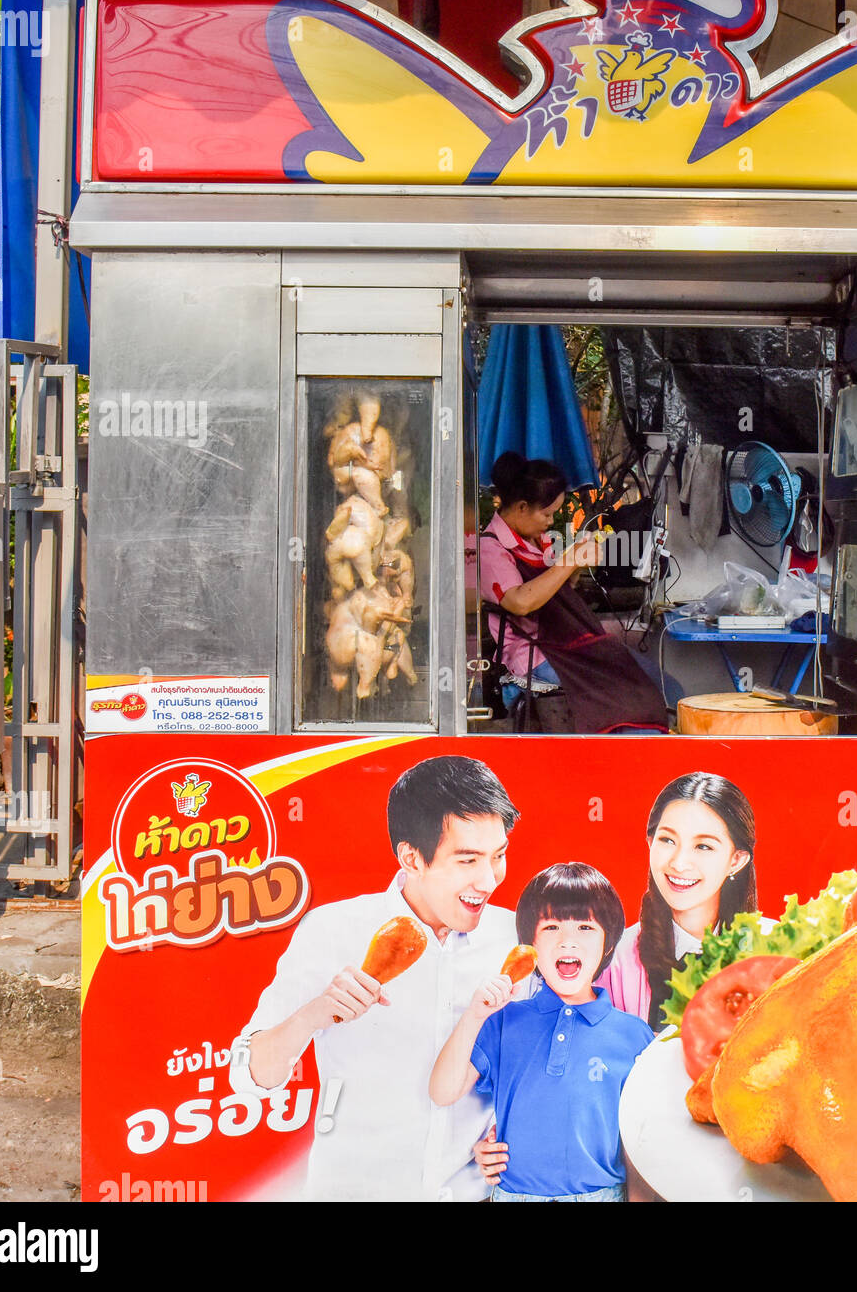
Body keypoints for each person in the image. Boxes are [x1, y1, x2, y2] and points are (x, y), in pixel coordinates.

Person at [229, 754, 520, 1201]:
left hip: (472, 1192)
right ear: (410, 857)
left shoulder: (513, 938)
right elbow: (250, 1076)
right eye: (467, 860)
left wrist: (505, 1132)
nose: (489, 879)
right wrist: (313, 1015)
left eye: (498, 856)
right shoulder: (333, 930)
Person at [430, 862, 654, 1202]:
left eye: (585, 927)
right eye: (551, 927)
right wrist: (475, 1015)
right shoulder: (504, 1021)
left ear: (608, 943)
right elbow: (442, 1092)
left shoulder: (633, 1035)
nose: (568, 941)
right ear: (529, 943)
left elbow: (641, 1141)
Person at [476, 450, 668, 733]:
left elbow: (559, 591)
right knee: (626, 692)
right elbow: (520, 602)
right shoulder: (490, 549)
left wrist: (576, 563)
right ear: (521, 508)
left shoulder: (539, 539)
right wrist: (569, 561)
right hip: (535, 654)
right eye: (547, 513)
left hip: (569, 641)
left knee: (660, 683)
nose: (550, 522)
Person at [600, 772, 757, 1027]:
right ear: (650, 843)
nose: (679, 863)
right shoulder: (615, 957)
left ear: (736, 860)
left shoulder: (770, 953)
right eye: (667, 840)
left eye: (703, 846)